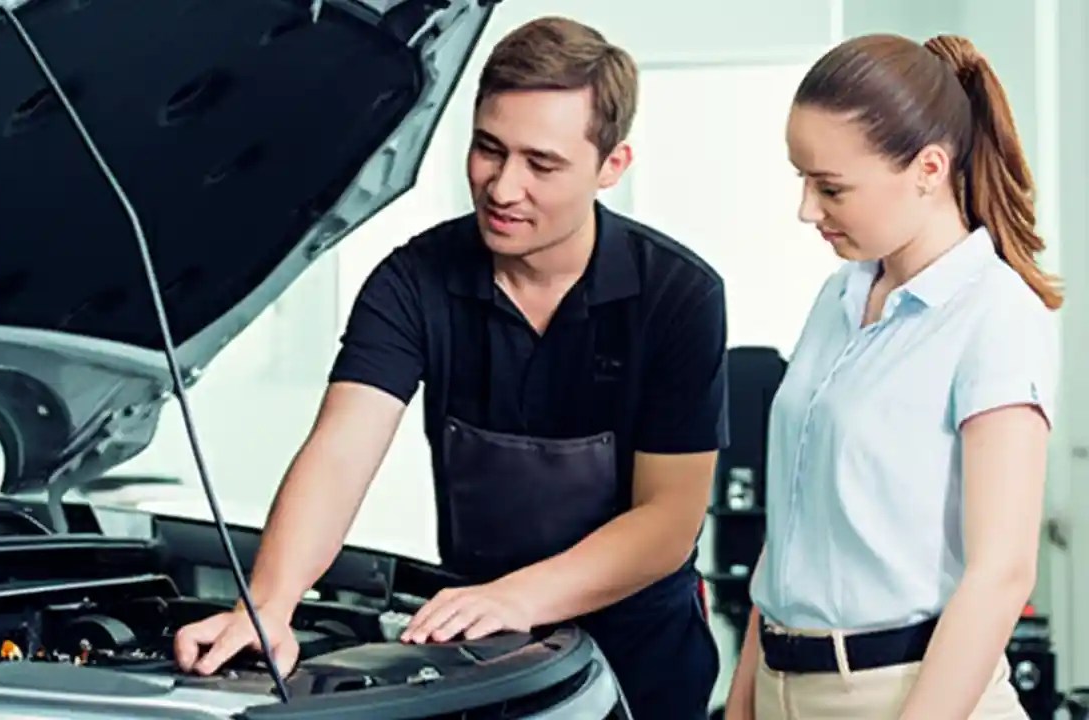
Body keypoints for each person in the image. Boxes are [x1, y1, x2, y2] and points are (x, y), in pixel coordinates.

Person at [173, 16, 727, 718]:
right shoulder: (413, 280)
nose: (503, 187)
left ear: (611, 166)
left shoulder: (679, 296)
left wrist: (516, 596)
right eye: (489, 149)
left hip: (644, 662)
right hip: (485, 655)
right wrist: (269, 605)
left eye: (541, 164)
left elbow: (668, 520)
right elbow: (341, 451)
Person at [723, 32, 1061, 720]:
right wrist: (745, 697)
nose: (807, 209)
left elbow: (1001, 574)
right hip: (786, 685)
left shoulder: (995, 314)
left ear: (929, 168)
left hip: (909, 694)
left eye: (831, 188)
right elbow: (793, 530)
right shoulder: (838, 298)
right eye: (802, 180)